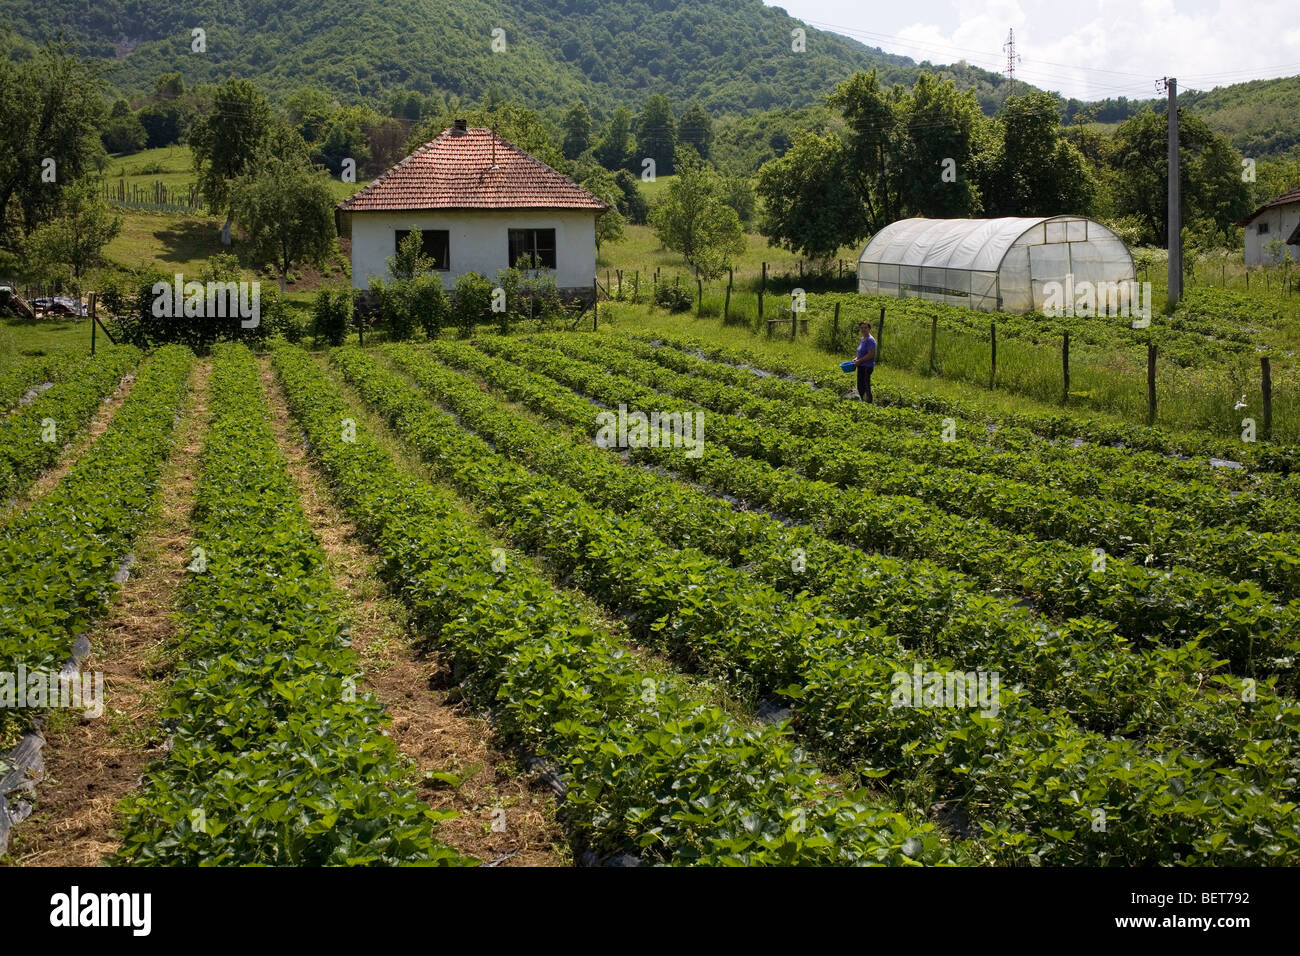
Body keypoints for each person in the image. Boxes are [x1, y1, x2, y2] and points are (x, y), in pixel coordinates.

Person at [853, 320, 876, 403]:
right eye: (861, 328)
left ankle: (869, 403)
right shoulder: (862, 339)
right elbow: (862, 352)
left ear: (869, 329)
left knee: (866, 386)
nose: (863, 330)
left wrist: (860, 361)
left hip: (867, 366)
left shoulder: (870, 340)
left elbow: (871, 355)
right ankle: (863, 401)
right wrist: (856, 358)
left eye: (865, 328)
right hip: (861, 365)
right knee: (860, 386)